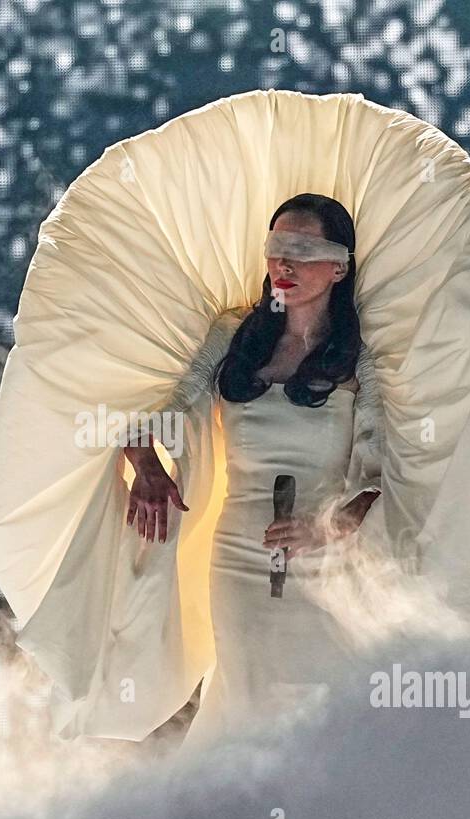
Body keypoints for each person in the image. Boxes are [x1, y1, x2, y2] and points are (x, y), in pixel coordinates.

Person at [121, 193, 384, 748]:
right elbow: (168, 410)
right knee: (244, 696)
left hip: (325, 561)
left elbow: (376, 465)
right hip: (237, 558)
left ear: (339, 265)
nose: (284, 264)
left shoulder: (362, 355)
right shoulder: (233, 335)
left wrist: (329, 527)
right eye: (275, 249)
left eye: (302, 249)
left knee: (318, 705)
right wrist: (146, 465)